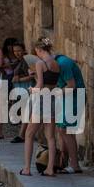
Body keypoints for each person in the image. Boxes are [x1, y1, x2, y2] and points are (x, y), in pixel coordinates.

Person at [20, 40, 61, 176]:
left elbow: (40, 84)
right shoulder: (56, 64)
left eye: (36, 51)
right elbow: (51, 82)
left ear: (39, 49)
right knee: (50, 136)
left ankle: (26, 168)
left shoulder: (40, 63)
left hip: (42, 99)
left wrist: (32, 89)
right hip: (53, 99)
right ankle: (50, 168)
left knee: (29, 134)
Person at [53, 46, 86, 174]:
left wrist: (55, 93)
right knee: (62, 130)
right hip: (66, 99)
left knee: (65, 130)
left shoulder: (63, 64)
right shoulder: (58, 63)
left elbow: (71, 85)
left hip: (74, 98)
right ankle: (64, 161)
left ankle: (74, 165)